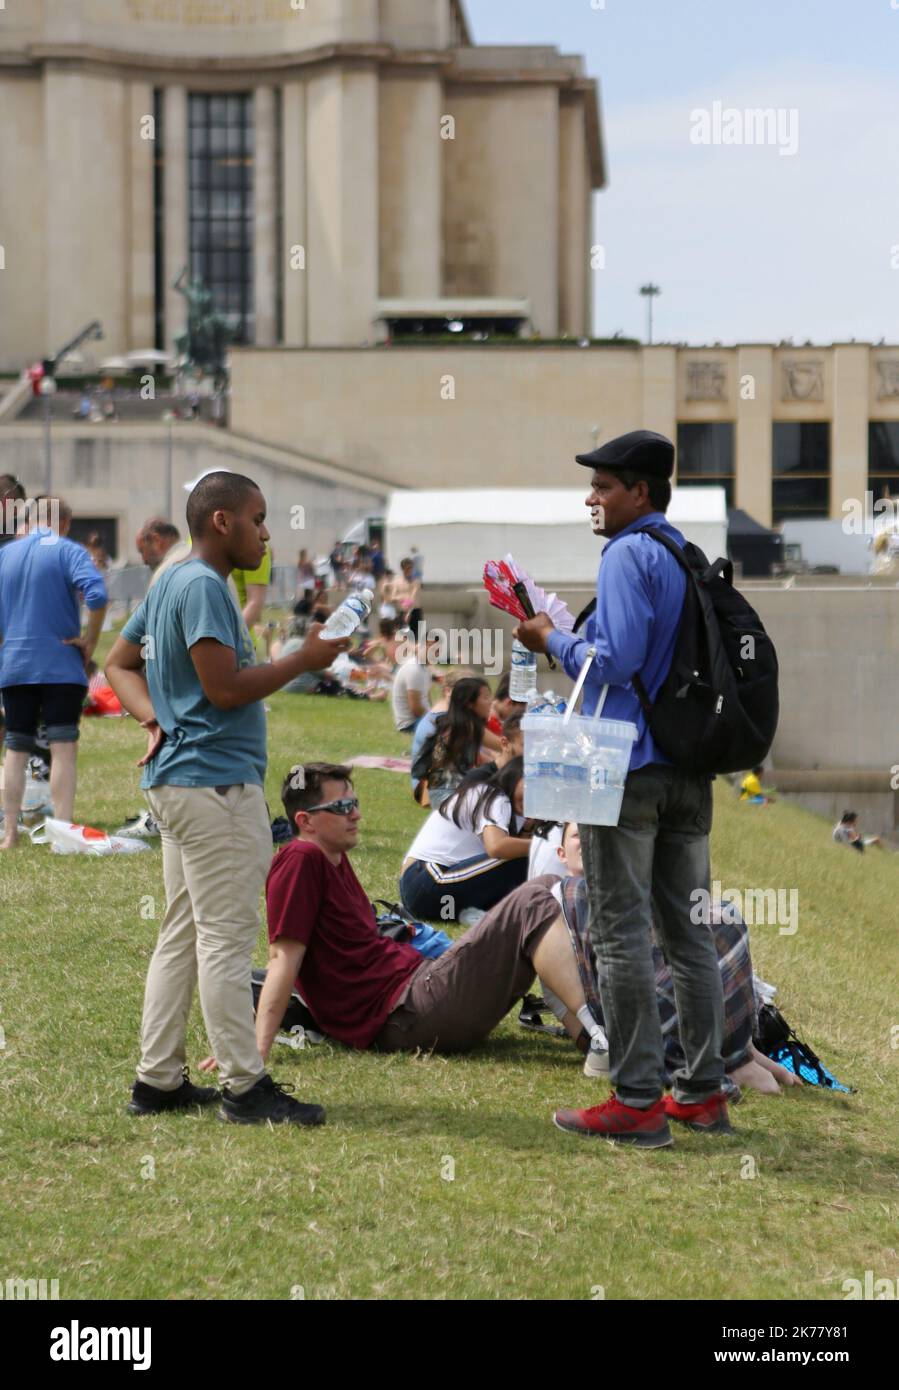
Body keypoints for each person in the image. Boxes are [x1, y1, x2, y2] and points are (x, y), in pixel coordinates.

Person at [105, 470, 349, 1126]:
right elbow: (225, 688)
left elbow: (118, 664)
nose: (267, 533)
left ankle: (157, 1080)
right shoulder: (206, 585)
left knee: (182, 933)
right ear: (222, 521)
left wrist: (154, 721)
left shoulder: (169, 581)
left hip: (179, 783)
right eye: (258, 518)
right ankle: (245, 1088)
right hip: (212, 786)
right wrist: (304, 659)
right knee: (222, 937)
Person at [515, 430, 731, 1145]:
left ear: (639, 492)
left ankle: (636, 1099)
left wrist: (550, 639)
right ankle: (700, 1093)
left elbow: (612, 661)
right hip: (687, 771)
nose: (591, 499)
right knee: (688, 936)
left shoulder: (626, 554)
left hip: (623, 769)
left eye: (603, 486)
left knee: (618, 935)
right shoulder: (682, 554)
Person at [256, 763, 601, 1067]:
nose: (356, 814)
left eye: (355, 804)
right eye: (343, 807)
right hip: (407, 1013)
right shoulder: (300, 860)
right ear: (306, 821)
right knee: (533, 900)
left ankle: (593, 1039)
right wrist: (257, 1050)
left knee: (545, 887)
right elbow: (283, 958)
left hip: (420, 992)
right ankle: (598, 1033)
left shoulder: (331, 857)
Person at [545, 824, 802, 1095]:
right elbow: (565, 1000)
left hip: (659, 984)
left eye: (595, 833)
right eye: (578, 835)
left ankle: (742, 1049)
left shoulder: (624, 893)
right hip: (629, 1009)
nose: (587, 839)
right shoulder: (560, 900)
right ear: (562, 854)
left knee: (720, 919)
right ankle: (734, 1060)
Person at [0, 497, 108, 849]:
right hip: (61, 663)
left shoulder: (5, 555)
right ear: (63, 522)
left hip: (15, 664)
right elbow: (97, 595)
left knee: (15, 749)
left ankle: (9, 833)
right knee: (63, 748)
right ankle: (62, 832)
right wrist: (89, 641)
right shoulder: (68, 550)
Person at [399, 758, 531, 921]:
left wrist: (529, 828)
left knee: (523, 861)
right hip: (426, 882)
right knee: (523, 857)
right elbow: (496, 847)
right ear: (514, 775)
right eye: (528, 785)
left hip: (434, 899)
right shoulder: (495, 795)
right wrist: (543, 846)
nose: (532, 795)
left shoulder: (515, 813)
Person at [420, 676, 494, 810]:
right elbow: (503, 745)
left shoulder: (456, 723)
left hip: (442, 792)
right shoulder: (468, 727)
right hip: (449, 795)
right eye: (486, 698)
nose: (491, 702)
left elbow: (482, 759)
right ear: (469, 704)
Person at [391, 631, 438, 734]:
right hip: (410, 725)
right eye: (435, 650)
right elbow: (416, 710)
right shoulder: (414, 670)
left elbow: (427, 698)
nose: (437, 655)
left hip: (422, 720)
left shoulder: (424, 668)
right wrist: (436, 720)